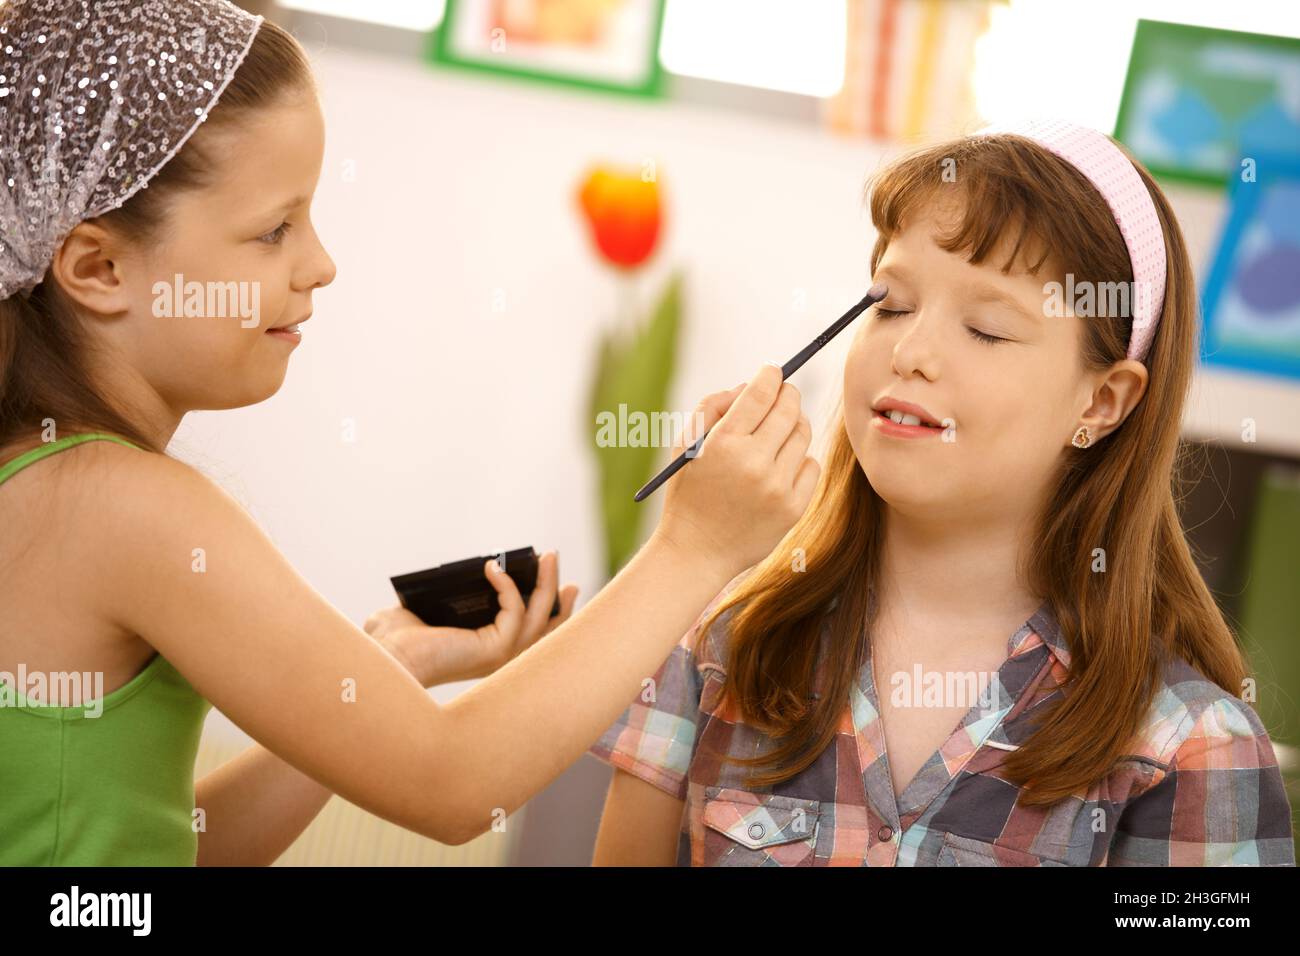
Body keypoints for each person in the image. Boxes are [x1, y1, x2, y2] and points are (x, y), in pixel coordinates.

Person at [0, 0, 820, 865]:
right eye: (274, 229)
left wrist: (386, 666)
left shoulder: (42, 482)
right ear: (100, 268)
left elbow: (169, 847)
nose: (320, 264)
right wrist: (695, 546)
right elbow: (453, 786)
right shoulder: (122, 507)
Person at [588, 120, 1297, 867]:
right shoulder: (719, 648)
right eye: (889, 306)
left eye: (987, 329)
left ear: (1102, 402)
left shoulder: (1189, 746)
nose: (911, 351)